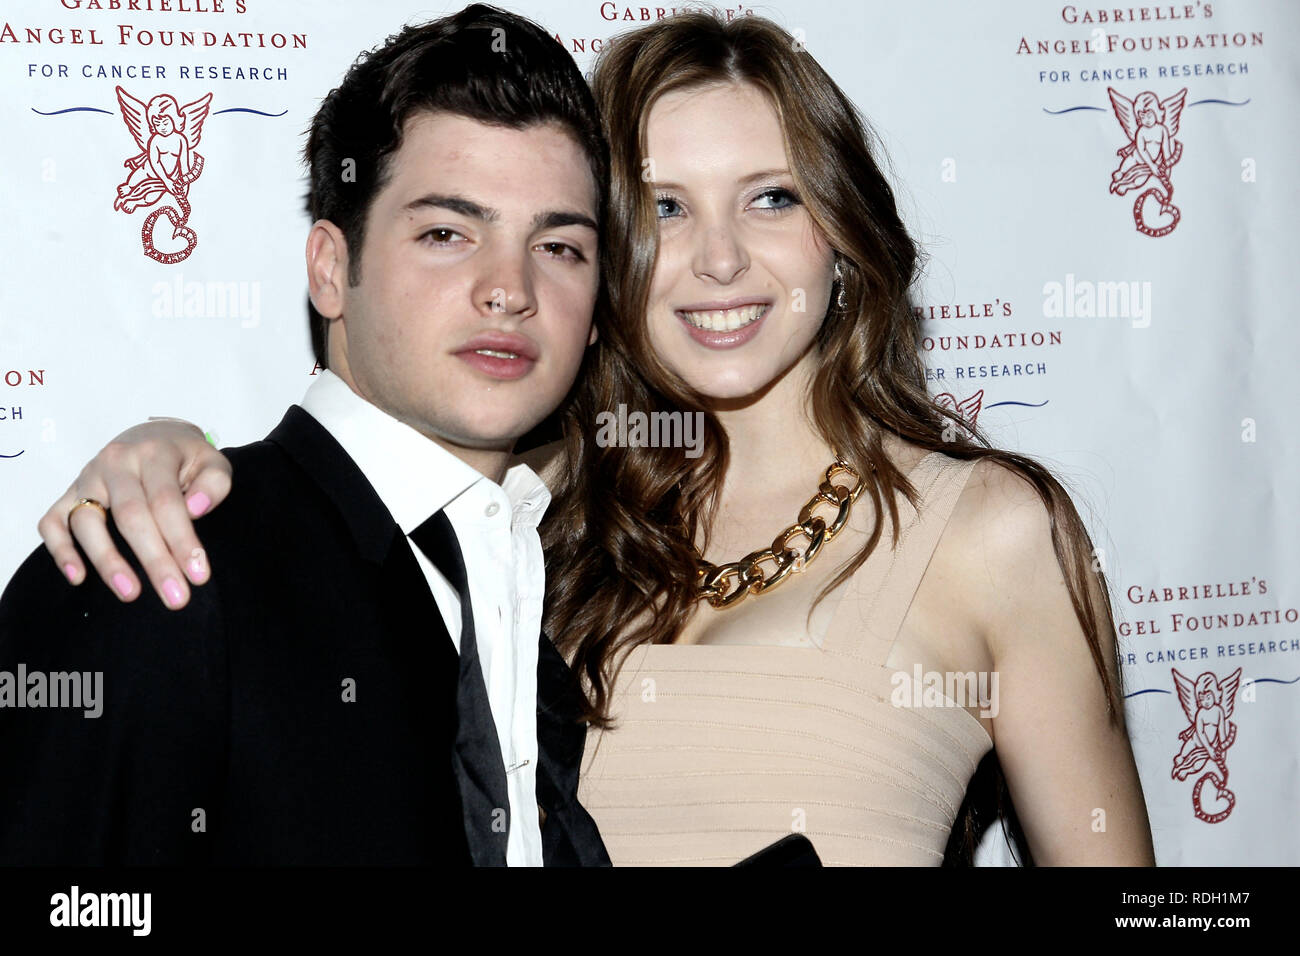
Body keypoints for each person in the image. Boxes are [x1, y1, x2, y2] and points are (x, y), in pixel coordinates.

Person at [32, 12, 1155, 866]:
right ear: (614, 255)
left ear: (843, 237)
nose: (718, 259)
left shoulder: (991, 534)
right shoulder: (531, 525)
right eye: (664, 207)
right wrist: (165, 447)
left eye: (770, 198)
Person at [0, 5, 610, 867]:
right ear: (331, 267)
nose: (508, 287)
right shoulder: (162, 560)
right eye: (446, 232)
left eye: (559, 247)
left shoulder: (533, 628)